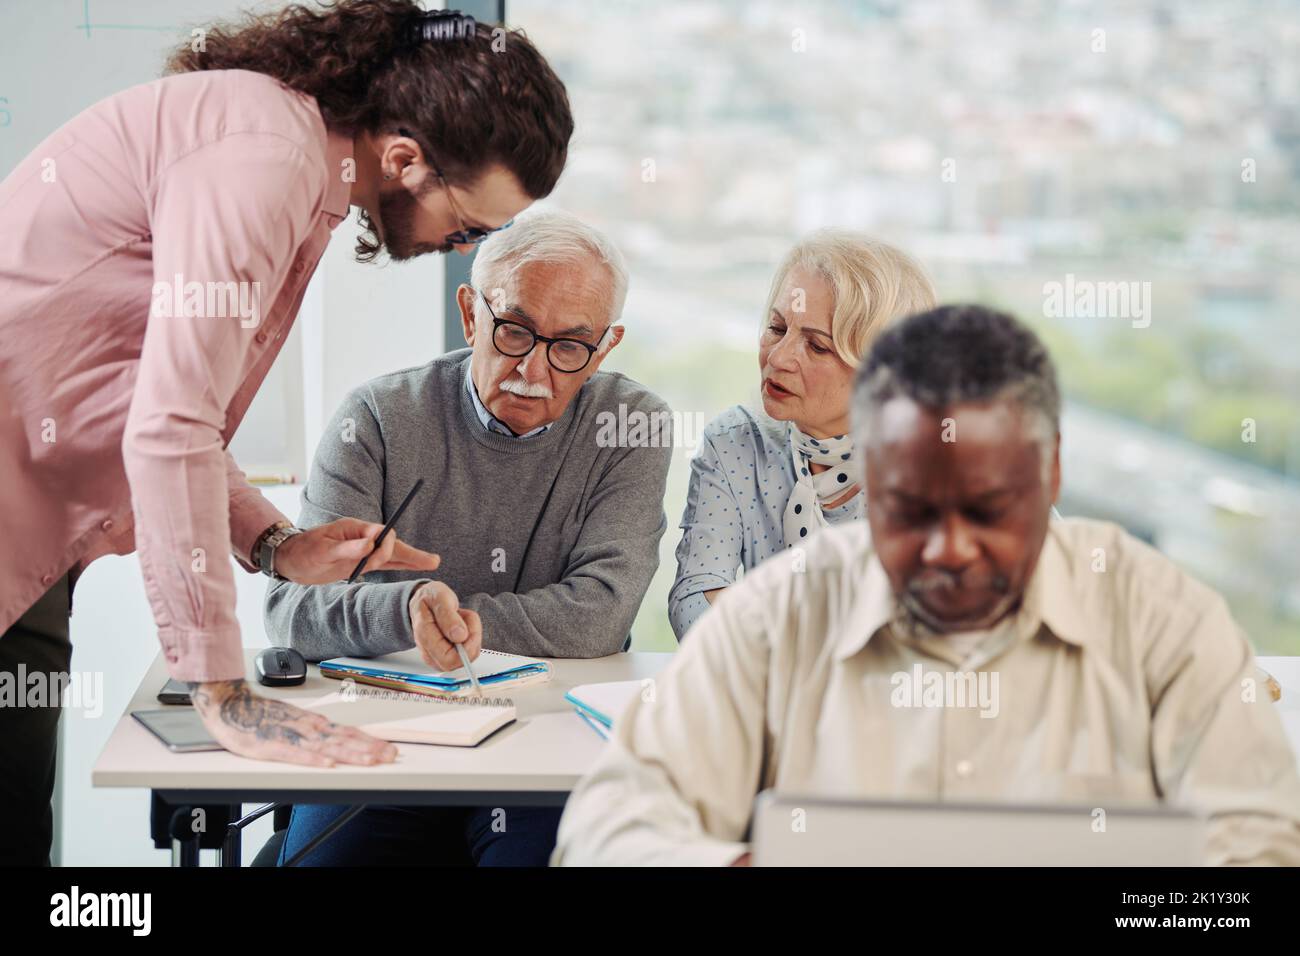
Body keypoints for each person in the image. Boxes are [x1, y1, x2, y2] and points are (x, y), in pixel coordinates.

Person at [0, 0, 573, 865]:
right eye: (472, 226)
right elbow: (169, 425)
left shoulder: (291, 156)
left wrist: (275, 544)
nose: (466, 243)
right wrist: (222, 690)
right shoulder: (266, 160)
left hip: (31, 538)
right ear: (405, 158)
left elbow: (149, 398)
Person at [553, 305, 1300, 866]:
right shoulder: (779, 615)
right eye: (910, 510)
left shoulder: (1162, 620)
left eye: (987, 510)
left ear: (1053, 474)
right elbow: (607, 824)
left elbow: (1262, 846)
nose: (949, 550)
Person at [266, 209, 672, 865]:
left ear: (606, 346)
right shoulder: (376, 418)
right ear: (469, 313)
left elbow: (598, 615)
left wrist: (448, 619)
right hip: (389, 735)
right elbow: (293, 611)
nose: (533, 371)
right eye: (513, 330)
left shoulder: (631, 425)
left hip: (549, 738)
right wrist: (407, 609)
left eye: (571, 347)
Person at [667, 231, 935, 639]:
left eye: (817, 346)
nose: (778, 358)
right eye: (777, 327)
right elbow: (694, 604)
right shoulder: (736, 441)